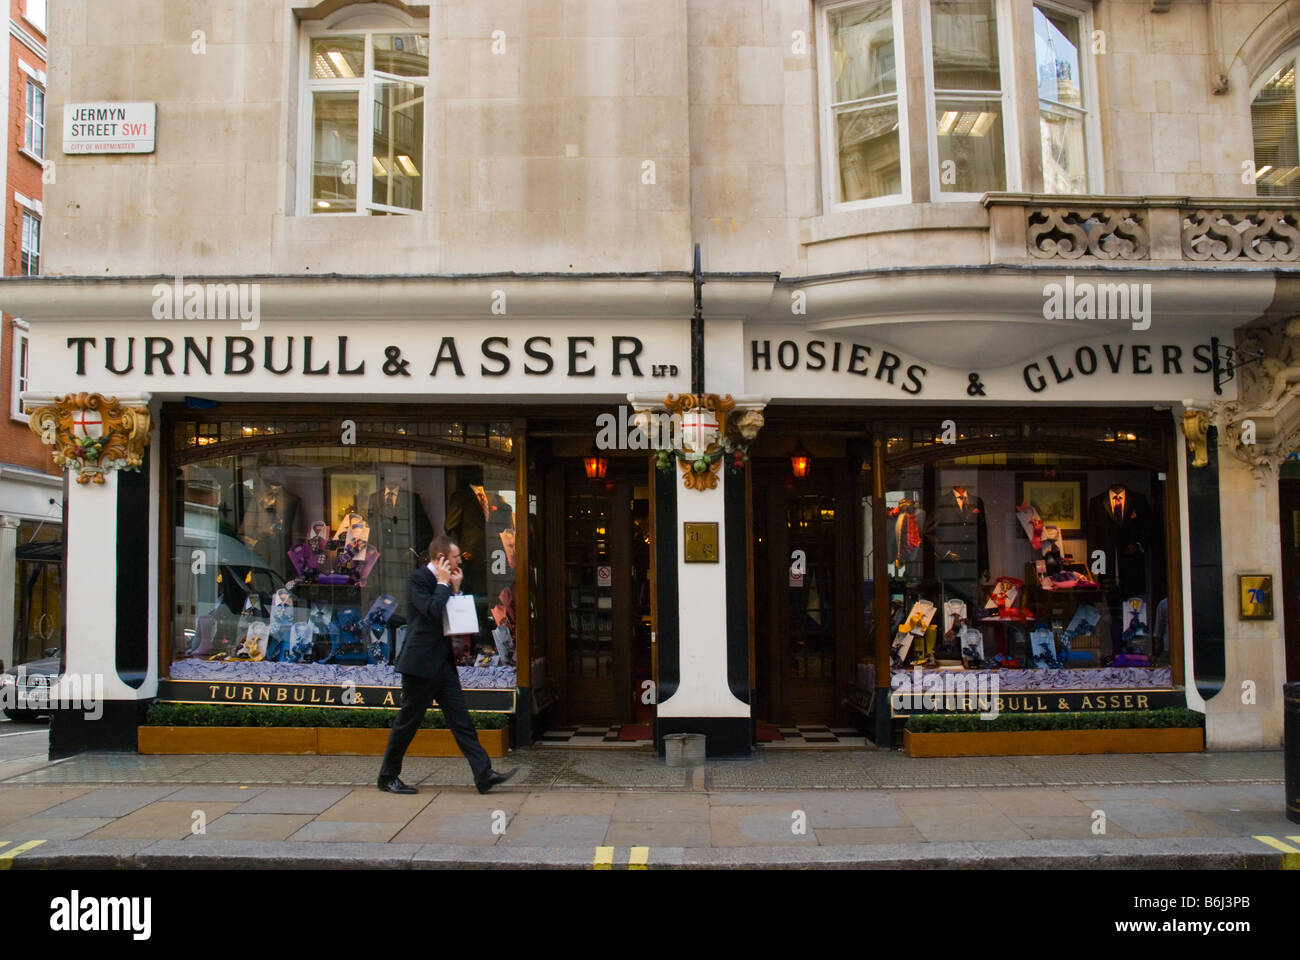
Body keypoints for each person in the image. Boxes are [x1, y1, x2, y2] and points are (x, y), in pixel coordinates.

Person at [378, 534, 517, 795]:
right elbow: (431, 611)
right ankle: (387, 776)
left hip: (442, 663)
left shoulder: (446, 582)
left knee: (461, 719)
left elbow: (455, 623)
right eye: (455, 557)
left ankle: (483, 773)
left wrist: (454, 590)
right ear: (442, 559)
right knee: (408, 722)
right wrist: (443, 585)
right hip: (419, 665)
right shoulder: (417, 579)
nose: (459, 561)